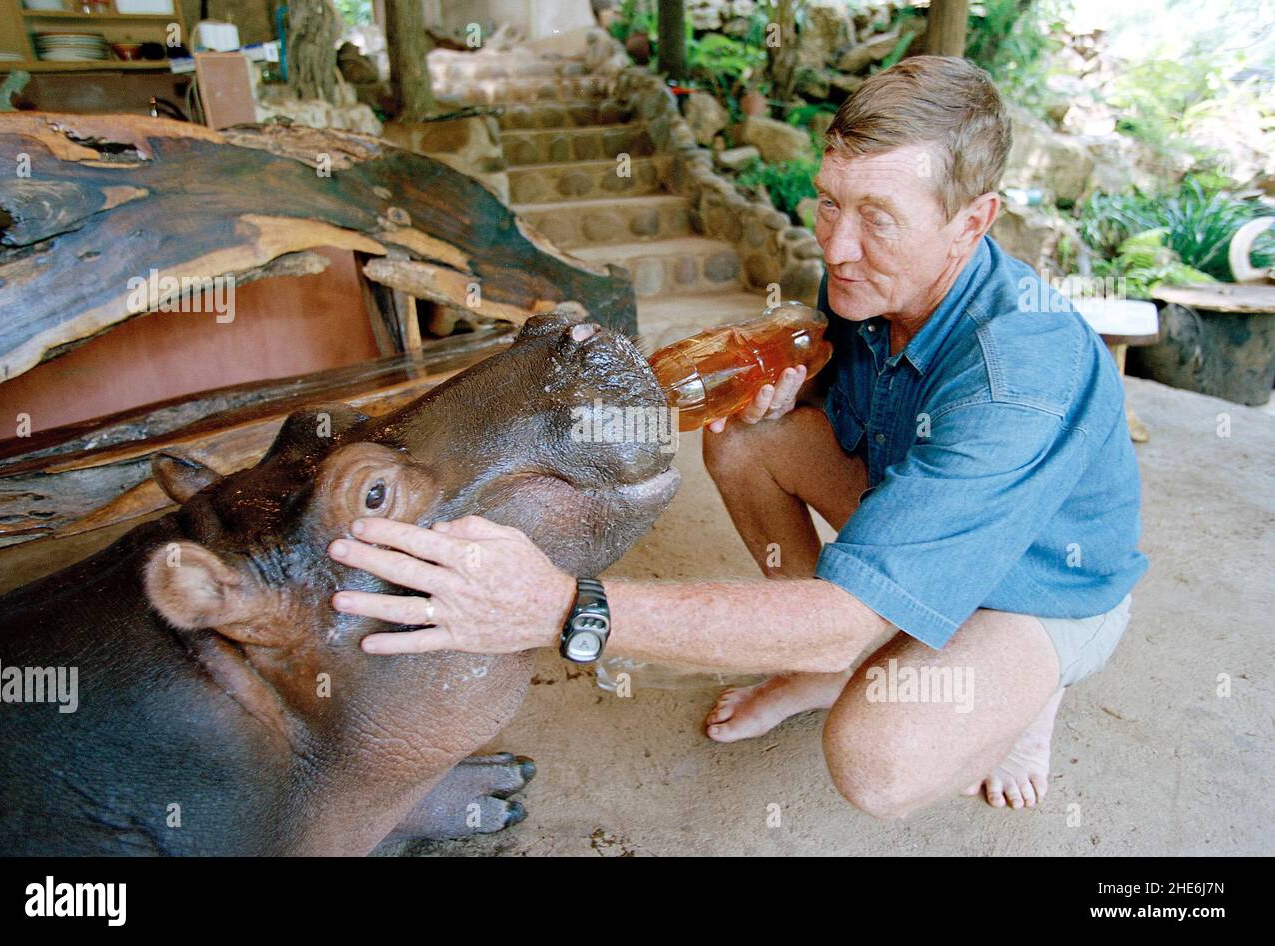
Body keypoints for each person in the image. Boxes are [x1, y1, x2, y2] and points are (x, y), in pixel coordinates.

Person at [325, 56, 1148, 818]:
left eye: (879, 218)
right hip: (928, 515)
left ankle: (1030, 686)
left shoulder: (1017, 373)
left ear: (973, 223)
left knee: (878, 760)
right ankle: (832, 656)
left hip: (1039, 578)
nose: (837, 246)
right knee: (744, 437)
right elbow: (837, 393)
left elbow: (846, 612)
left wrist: (558, 607)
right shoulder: (866, 279)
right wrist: (784, 387)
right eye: (830, 201)